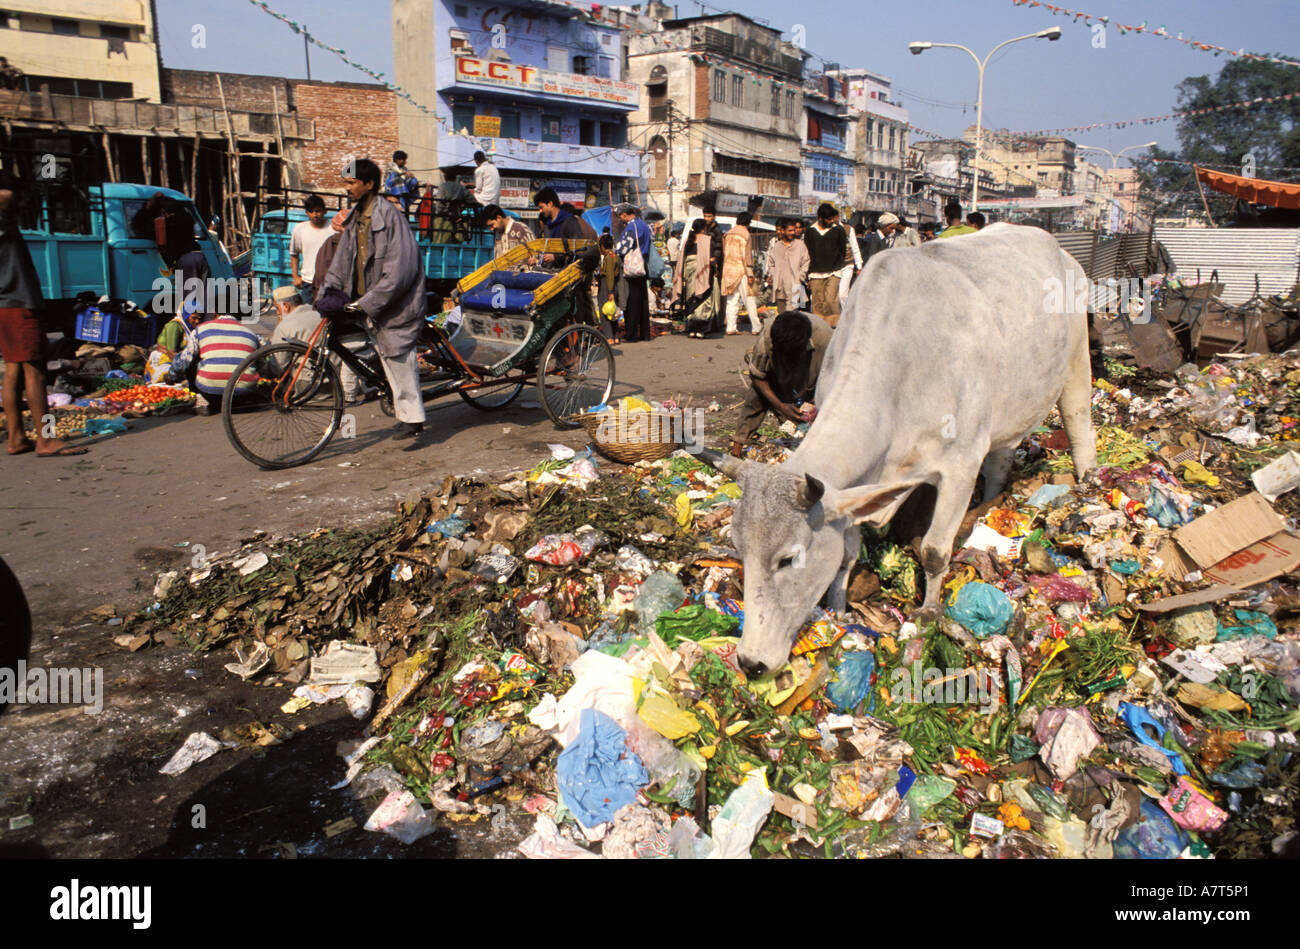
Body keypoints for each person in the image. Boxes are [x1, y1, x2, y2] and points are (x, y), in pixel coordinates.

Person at [322, 158, 427, 440]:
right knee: (373, 352)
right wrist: (328, 292)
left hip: (397, 302)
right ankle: (390, 399)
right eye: (346, 182)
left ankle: (413, 418)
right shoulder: (356, 217)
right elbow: (341, 261)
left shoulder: (390, 216)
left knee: (397, 355)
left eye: (352, 182)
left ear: (368, 184)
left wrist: (369, 301)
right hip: (370, 301)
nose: (348, 188)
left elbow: (400, 271)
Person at [1, 175, 87, 456]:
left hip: (7, 305)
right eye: (18, 195)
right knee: (36, 372)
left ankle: (16, 437)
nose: (23, 201)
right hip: (20, 304)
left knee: (13, 369)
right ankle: (46, 439)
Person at [729, 310, 833, 457]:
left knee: (814, 418)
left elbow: (836, 380)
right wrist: (781, 406)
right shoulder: (767, 339)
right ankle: (737, 448)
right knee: (756, 398)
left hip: (813, 378)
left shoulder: (826, 341)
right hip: (776, 370)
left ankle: (815, 450)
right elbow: (758, 376)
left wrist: (816, 402)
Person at [268, 285, 366, 405]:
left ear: (286, 306)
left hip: (310, 386)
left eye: (277, 308)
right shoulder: (320, 312)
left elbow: (279, 364)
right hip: (338, 381)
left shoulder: (284, 326)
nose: (277, 313)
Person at [130, 191, 210, 301]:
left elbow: (137, 225)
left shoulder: (164, 226)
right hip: (199, 256)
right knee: (204, 298)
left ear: (165, 212)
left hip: (186, 261)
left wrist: (147, 208)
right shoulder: (187, 218)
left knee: (190, 302)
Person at [185, 312, 262, 415]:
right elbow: (261, 363)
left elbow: (184, 359)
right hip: (243, 392)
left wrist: (171, 376)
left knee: (193, 359)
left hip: (210, 391)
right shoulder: (251, 333)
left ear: (215, 314)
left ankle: (204, 401)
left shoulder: (201, 329)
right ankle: (237, 404)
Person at [803, 203, 848, 327]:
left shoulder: (838, 230)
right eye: (828, 219)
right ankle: (820, 326)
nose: (831, 221)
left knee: (831, 299)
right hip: (815, 272)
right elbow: (807, 252)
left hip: (834, 270)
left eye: (832, 218)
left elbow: (842, 250)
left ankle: (834, 325)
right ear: (820, 218)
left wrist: (838, 263)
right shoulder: (810, 231)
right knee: (818, 301)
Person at [615, 203, 653, 343]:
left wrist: (616, 251)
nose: (620, 220)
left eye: (620, 217)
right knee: (642, 301)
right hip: (642, 266)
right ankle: (645, 333)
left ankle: (631, 334)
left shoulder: (631, 227)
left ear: (625, 214)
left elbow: (625, 248)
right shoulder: (644, 225)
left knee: (631, 301)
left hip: (632, 268)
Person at [671, 219, 716, 337]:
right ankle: (700, 330)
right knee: (703, 298)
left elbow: (683, 259)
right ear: (703, 228)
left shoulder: (687, 240)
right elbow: (710, 259)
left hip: (689, 272)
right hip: (703, 273)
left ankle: (691, 329)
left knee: (691, 297)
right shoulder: (707, 240)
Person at [721, 212, 760, 335]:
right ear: (748, 222)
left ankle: (731, 328)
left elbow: (724, 254)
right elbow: (746, 257)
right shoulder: (746, 235)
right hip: (742, 271)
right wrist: (750, 274)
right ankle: (756, 328)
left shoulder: (727, 234)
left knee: (731, 300)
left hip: (728, 270)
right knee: (749, 299)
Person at [289, 195, 332, 305]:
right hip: (308, 282)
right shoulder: (300, 229)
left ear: (325, 211)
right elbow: (294, 253)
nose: (315, 215)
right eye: (311, 211)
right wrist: (295, 276)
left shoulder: (333, 228)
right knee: (308, 315)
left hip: (329, 282)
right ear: (307, 213)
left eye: (318, 211)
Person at [764, 218, 810, 317]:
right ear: (783, 231)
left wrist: (800, 276)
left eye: (793, 230)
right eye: (790, 231)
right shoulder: (777, 246)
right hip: (780, 286)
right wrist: (774, 275)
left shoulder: (800, 245)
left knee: (793, 313)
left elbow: (806, 262)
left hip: (796, 285)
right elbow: (771, 263)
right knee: (782, 314)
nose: (793, 233)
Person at [837, 215, 864, 314]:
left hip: (847, 265)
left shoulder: (848, 229)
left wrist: (859, 267)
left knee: (842, 294)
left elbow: (855, 248)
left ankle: (847, 315)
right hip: (833, 266)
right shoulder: (827, 229)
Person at [596, 235, 621, 343]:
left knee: (605, 311)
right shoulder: (615, 256)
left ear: (602, 246)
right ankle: (615, 336)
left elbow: (609, 274)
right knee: (612, 311)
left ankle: (609, 337)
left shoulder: (608, 257)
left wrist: (610, 292)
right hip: (613, 285)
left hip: (607, 285)